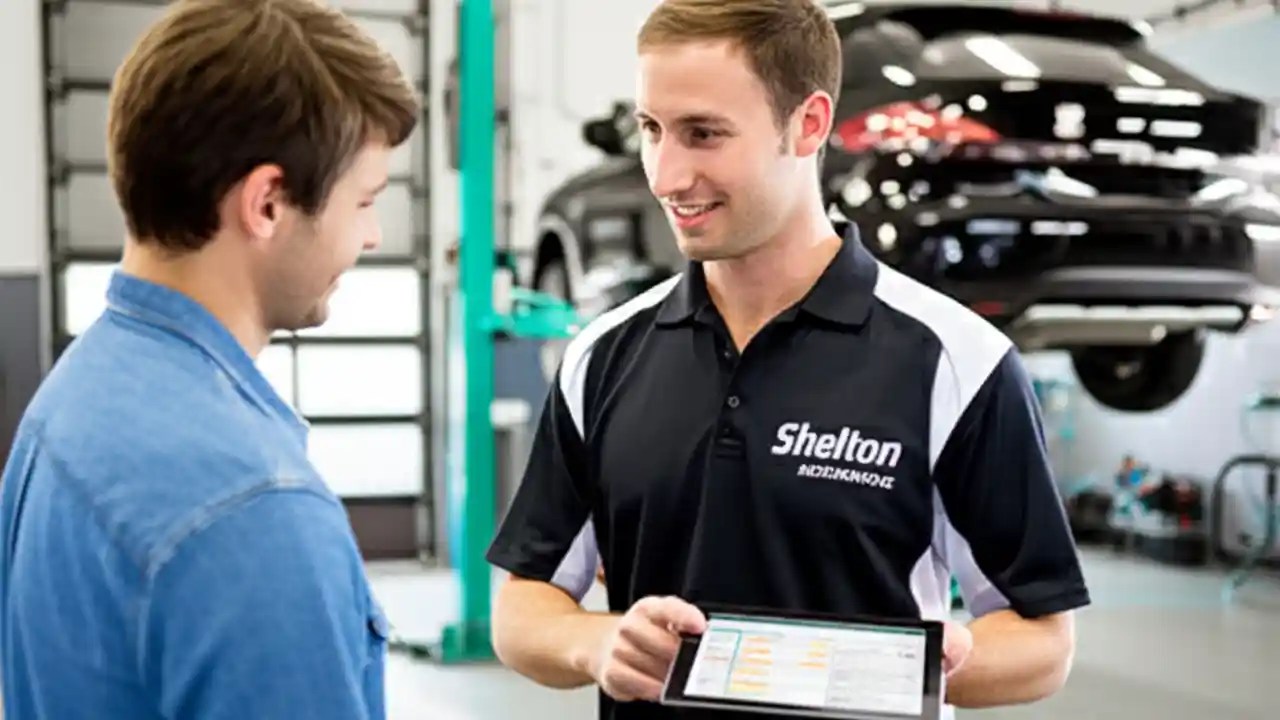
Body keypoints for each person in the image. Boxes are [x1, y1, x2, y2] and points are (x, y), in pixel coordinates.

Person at [485, 1, 1091, 719]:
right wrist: (599, 643)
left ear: (807, 124)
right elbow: (522, 610)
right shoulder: (602, 356)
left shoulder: (958, 360)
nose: (667, 176)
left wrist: (947, 663)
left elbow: (1044, 639)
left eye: (703, 134)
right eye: (653, 130)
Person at [0, 1, 417, 718]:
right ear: (267, 203)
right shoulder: (254, 508)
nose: (373, 236)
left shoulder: (68, 404)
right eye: (364, 202)